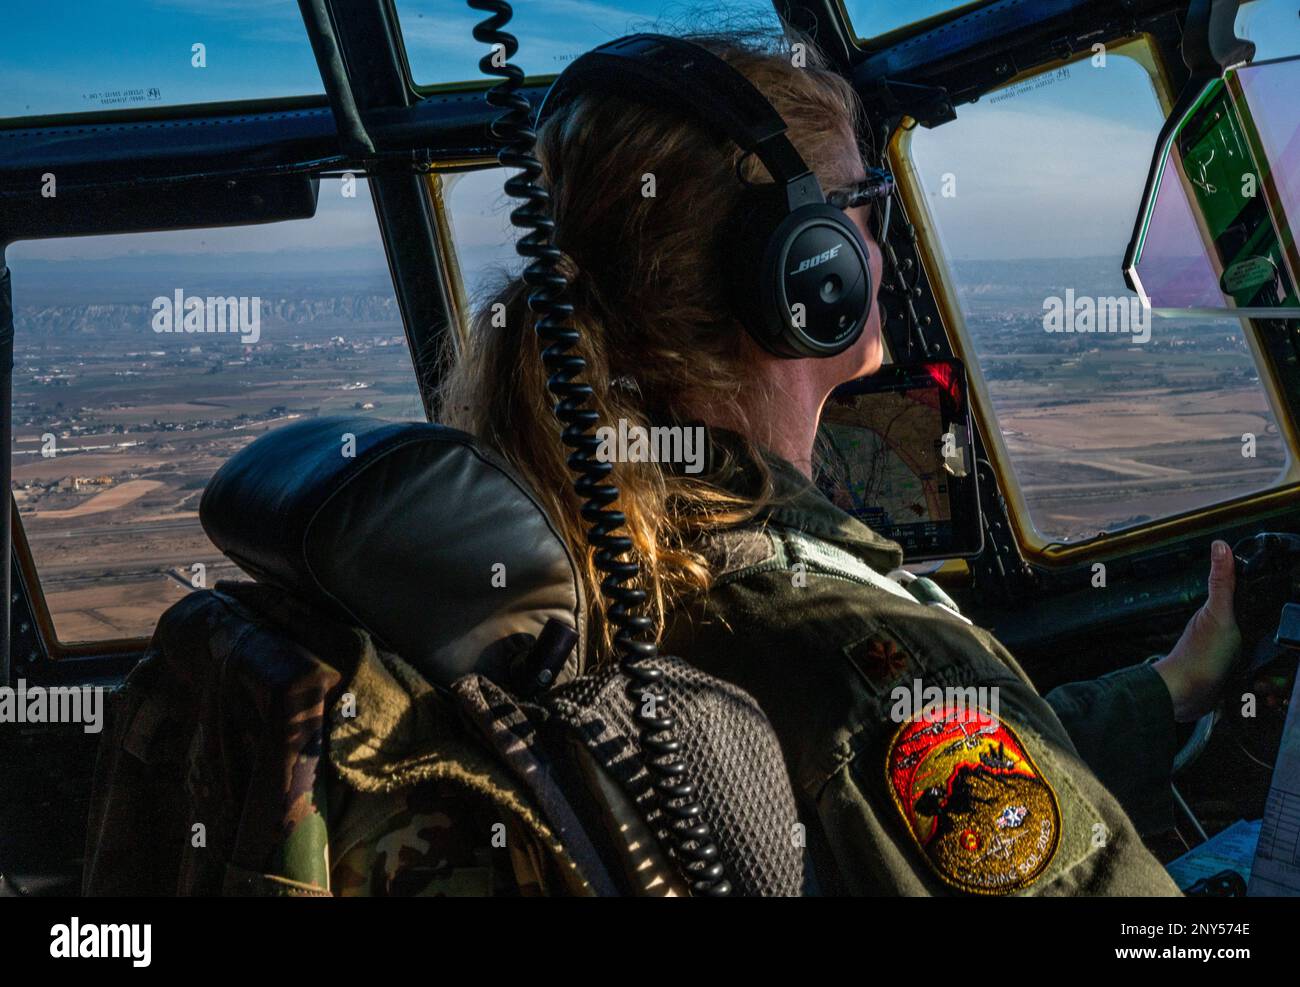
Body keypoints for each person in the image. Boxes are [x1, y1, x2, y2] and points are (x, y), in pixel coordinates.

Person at [438, 30, 1241, 895]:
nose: (881, 250)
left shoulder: (612, 547)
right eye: (865, 207)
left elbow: (937, 794)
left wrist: (1170, 690)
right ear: (805, 267)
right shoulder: (849, 642)